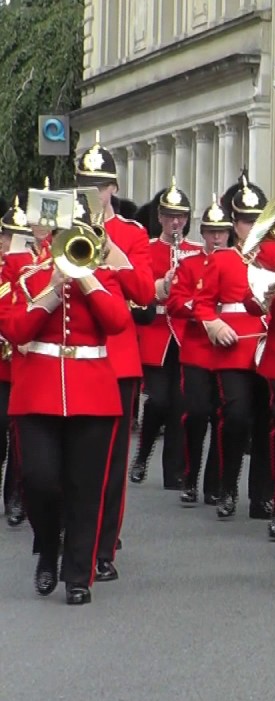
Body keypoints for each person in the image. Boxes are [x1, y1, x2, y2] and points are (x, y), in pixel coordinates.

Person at [4, 189, 131, 604]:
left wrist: (88, 278)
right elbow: (17, 330)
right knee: (39, 480)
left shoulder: (100, 268)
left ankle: (78, 576)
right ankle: (47, 545)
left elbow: (116, 322)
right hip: (38, 389)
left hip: (92, 390)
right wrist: (54, 290)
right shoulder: (21, 271)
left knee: (86, 487)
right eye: (56, 228)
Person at [73, 141, 156, 584]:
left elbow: (145, 293)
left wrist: (116, 258)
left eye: (100, 186)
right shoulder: (59, 227)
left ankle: (103, 547)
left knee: (110, 462)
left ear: (113, 189)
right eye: (85, 185)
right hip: (68, 358)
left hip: (116, 358)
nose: (93, 193)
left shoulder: (131, 232)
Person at [192, 188, 269, 519]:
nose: (250, 228)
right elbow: (203, 303)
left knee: (267, 422)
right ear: (234, 224)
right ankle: (226, 486)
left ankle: (262, 496)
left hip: (268, 345)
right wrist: (214, 325)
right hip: (233, 344)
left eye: (256, 221)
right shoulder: (222, 259)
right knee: (235, 417)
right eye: (244, 222)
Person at [131, 183, 201, 491]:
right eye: (170, 216)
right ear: (160, 217)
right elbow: (140, 288)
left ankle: (175, 471)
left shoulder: (197, 251)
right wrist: (163, 284)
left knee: (180, 405)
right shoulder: (147, 248)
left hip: (185, 333)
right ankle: (143, 455)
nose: (176, 223)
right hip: (157, 331)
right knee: (157, 400)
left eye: (181, 217)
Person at [167, 198, 234, 507]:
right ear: (203, 233)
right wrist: (201, 308)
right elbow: (175, 303)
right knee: (195, 414)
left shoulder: (236, 262)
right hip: (197, 348)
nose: (217, 238)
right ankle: (190, 476)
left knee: (223, 417)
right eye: (211, 232)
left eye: (221, 232)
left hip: (228, 348)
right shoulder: (191, 263)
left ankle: (215, 482)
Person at [0, 199, 29, 527]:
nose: (11, 243)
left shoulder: (31, 268)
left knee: (19, 433)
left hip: (21, 364)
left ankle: (16, 496)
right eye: (9, 236)